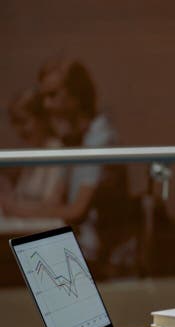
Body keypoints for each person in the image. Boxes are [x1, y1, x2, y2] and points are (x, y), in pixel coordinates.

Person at [3, 59, 137, 273]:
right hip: (72, 249)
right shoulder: (72, 139)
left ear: (76, 96)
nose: (46, 106)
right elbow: (53, 202)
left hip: (98, 259)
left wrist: (16, 210)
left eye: (53, 96)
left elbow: (76, 211)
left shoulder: (100, 140)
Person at [2, 87, 66, 206]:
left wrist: (11, 205)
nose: (18, 130)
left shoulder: (56, 150)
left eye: (23, 122)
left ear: (42, 120)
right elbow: (19, 196)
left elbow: (49, 206)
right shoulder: (32, 150)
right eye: (15, 123)